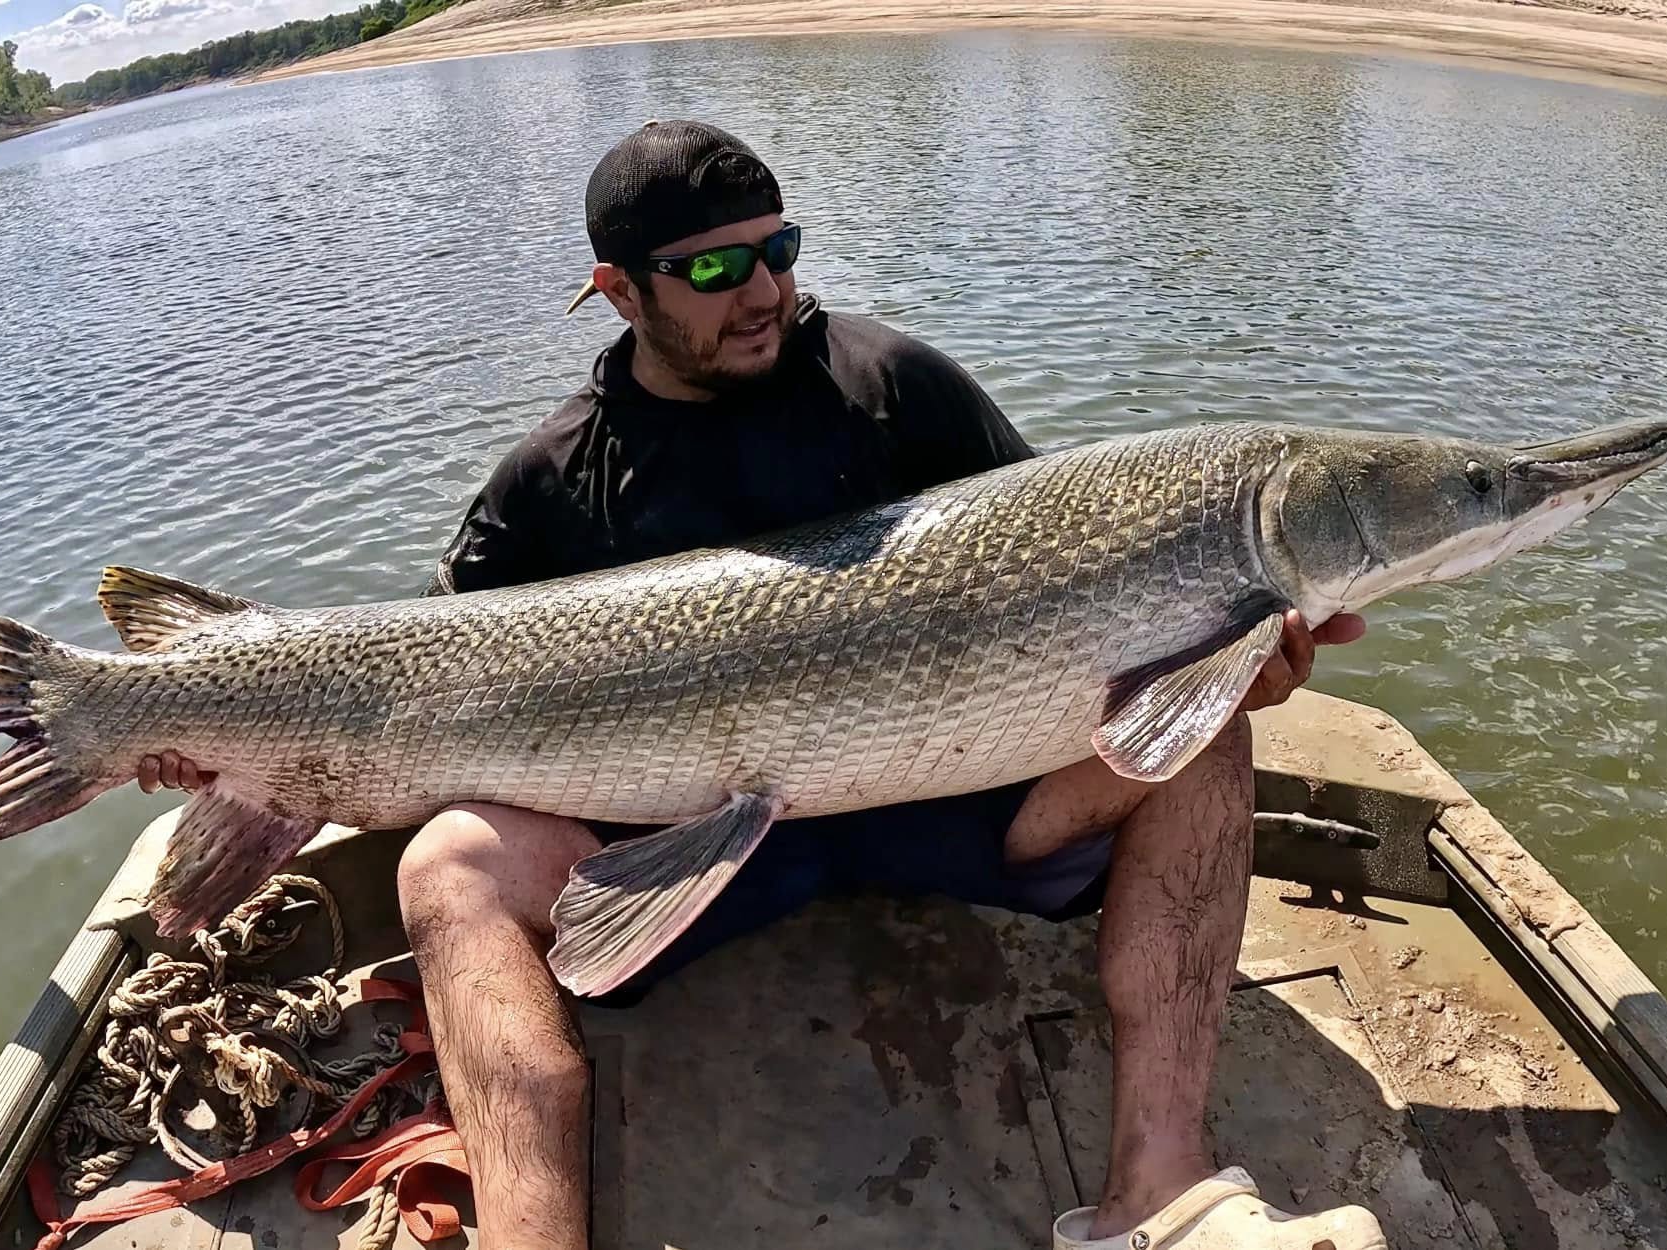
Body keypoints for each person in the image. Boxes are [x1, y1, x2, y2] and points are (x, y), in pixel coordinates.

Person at [140, 120, 1384, 1250]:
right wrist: (243, 750)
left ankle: (1159, 1192)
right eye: (717, 269)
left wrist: (1220, 664)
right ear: (617, 291)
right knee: (444, 865)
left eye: (776, 249)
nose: (768, 290)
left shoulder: (897, 385)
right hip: (688, 849)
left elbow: (1084, 578)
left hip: (946, 795)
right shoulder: (550, 480)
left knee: (1209, 738)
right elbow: (432, 688)